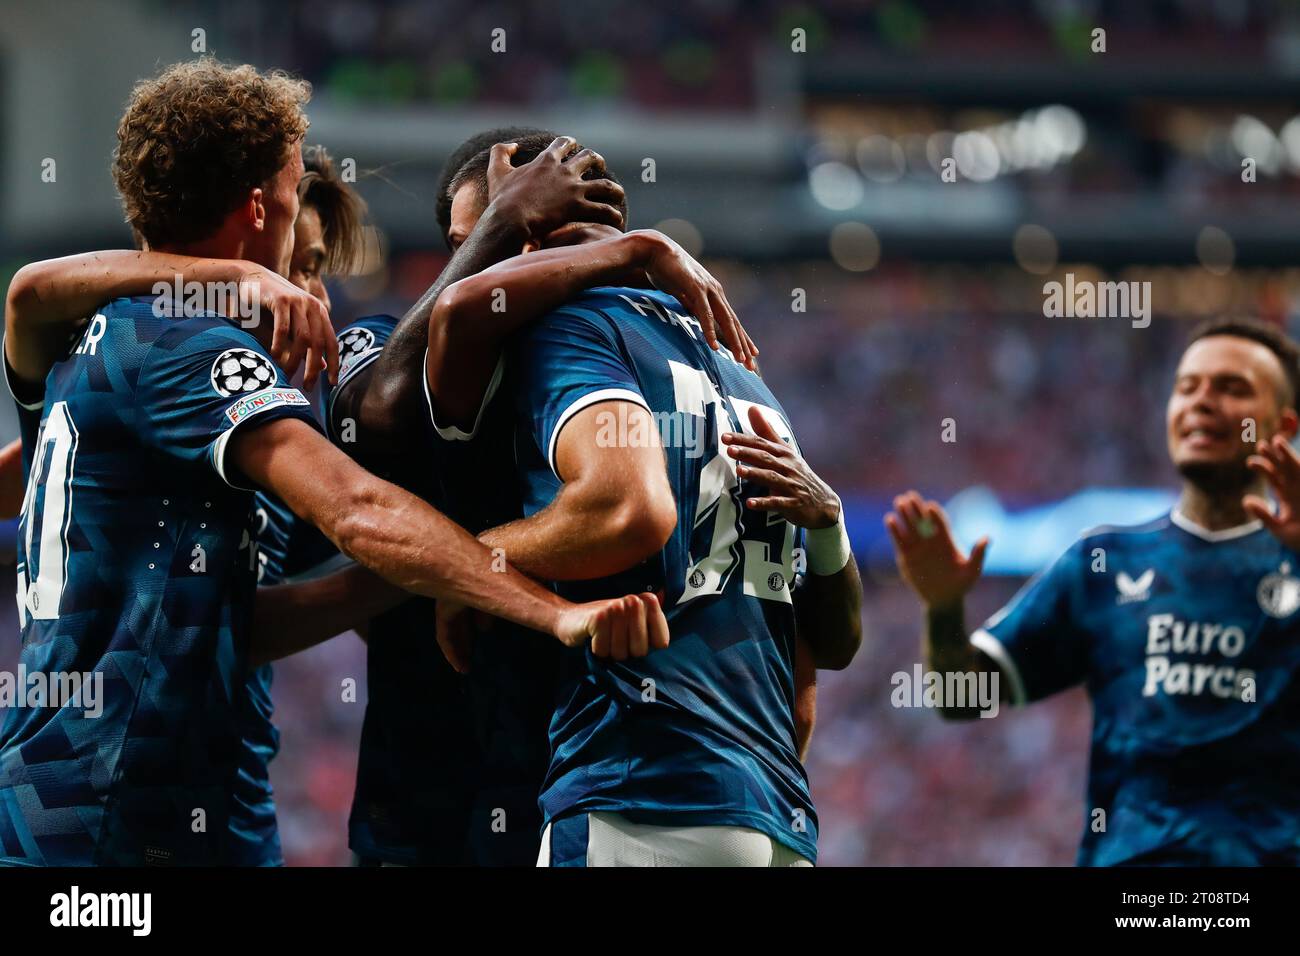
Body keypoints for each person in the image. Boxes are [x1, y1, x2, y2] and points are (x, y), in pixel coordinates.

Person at [0, 59, 663, 867]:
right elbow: (359, 507)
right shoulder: (186, 351)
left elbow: (232, 618)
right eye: (297, 256)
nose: (306, 293)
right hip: (113, 815)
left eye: (315, 271)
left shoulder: (95, 346)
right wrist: (545, 605)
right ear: (260, 208)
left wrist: (434, 565)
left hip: (184, 805)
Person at [426, 130, 863, 866]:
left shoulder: (575, 330)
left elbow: (623, 512)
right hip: (774, 814)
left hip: (644, 794)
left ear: (531, 230)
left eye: (484, 241)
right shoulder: (743, 379)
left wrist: (469, 564)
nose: (466, 270)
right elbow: (810, 676)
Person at [324, 128, 757, 866]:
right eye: (487, 241)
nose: (513, 262)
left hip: (567, 774)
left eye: (538, 239)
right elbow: (378, 420)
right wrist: (624, 246)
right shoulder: (384, 340)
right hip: (423, 784)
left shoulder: (618, 381)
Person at [887, 316, 1300, 866]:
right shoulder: (1103, 563)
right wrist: (943, 608)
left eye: (1232, 388)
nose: (1202, 402)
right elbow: (958, 697)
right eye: (1187, 387)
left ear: (1282, 425)